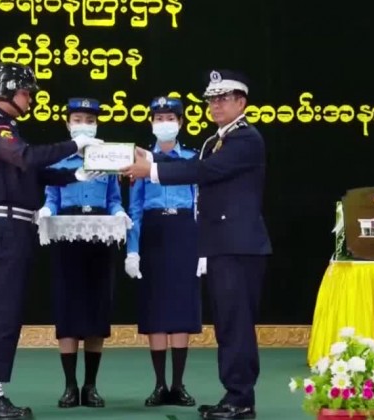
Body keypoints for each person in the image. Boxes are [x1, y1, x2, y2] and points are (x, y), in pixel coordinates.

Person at [121, 69, 271, 420]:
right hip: (222, 244)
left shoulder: (247, 139)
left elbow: (206, 172)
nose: (216, 105)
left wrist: (152, 170)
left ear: (241, 102)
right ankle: (233, 395)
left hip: (239, 245)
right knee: (226, 325)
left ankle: (242, 399)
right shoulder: (213, 141)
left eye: (223, 98)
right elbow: (199, 167)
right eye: (212, 99)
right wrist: (151, 159)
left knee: (236, 324)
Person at [0, 64, 103, 420]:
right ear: (9, 91)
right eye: (26, 91)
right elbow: (26, 158)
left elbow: (36, 172)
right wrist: (75, 144)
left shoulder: (8, 128)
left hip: (15, 227)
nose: (30, 97)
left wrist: (78, 172)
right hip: (4, 227)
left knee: (8, 312)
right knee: (0, 312)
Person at [37, 97, 132, 409]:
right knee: (68, 308)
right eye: (78, 119)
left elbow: (114, 198)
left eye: (89, 120)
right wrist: (46, 211)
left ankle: (90, 386)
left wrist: (120, 215)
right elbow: (52, 196)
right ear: (68, 124)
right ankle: (69, 386)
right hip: (67, 236)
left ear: (97, 124)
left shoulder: (106, 159)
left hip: (100, 237)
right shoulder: (57, 162)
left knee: (96, 309)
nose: (84, 125)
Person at [124, 95, 203, 408]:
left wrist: (204, 249)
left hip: (185, 234)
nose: (164, 123)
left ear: (181, 122)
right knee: (156, 310)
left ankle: (178, 385)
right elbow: (136, 208)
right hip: (154, 235)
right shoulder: (141, 163)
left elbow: (202, 206)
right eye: (158, 118)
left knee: (182, 310)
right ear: (152, 123)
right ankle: (159, 385)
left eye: (170, 117)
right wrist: (133, 251)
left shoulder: (194, 158)